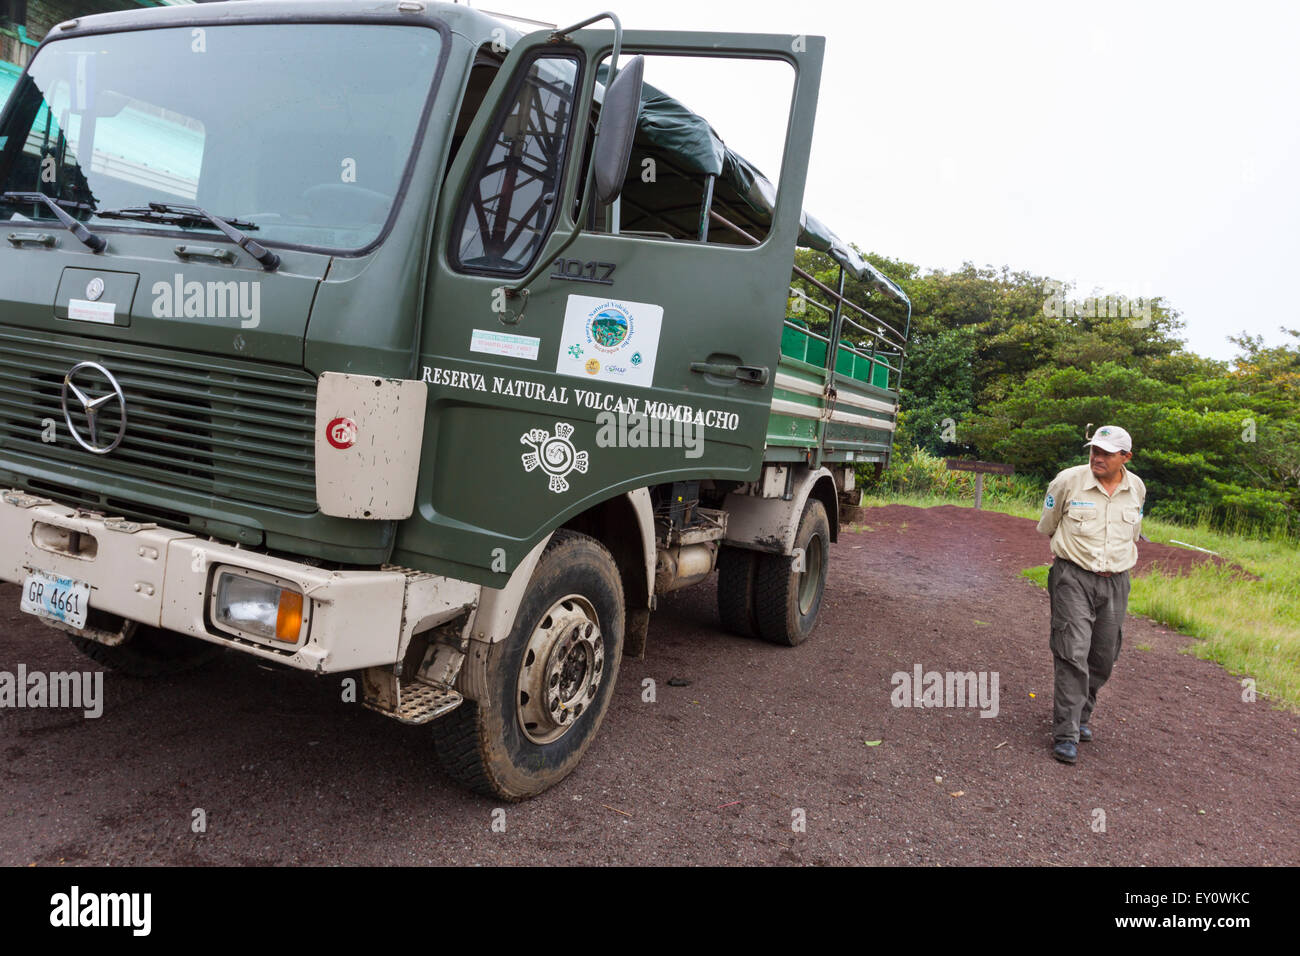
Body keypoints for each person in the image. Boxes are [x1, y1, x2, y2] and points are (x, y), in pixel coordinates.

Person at [1035, 425, 1145, 764]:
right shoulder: (1067, 481)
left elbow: (1134, 533)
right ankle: (1065, 733)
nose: (1097, 457)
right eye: (1094, 450)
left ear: (1125, 457)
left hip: (1116, 582)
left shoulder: (1137, 488)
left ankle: (1082, 715)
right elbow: (1049, 524)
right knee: (1072, 651)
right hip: (1073, 577)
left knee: (1103, 656)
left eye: (1106, 453)